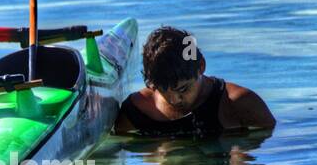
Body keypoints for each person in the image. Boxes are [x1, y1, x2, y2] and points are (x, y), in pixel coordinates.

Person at [114, 26, 276, 137]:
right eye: (163, 91)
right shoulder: (136, 112)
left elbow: (274, 145)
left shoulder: (238, 103)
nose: (174, 100)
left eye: (183, 89)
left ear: (201, 67)